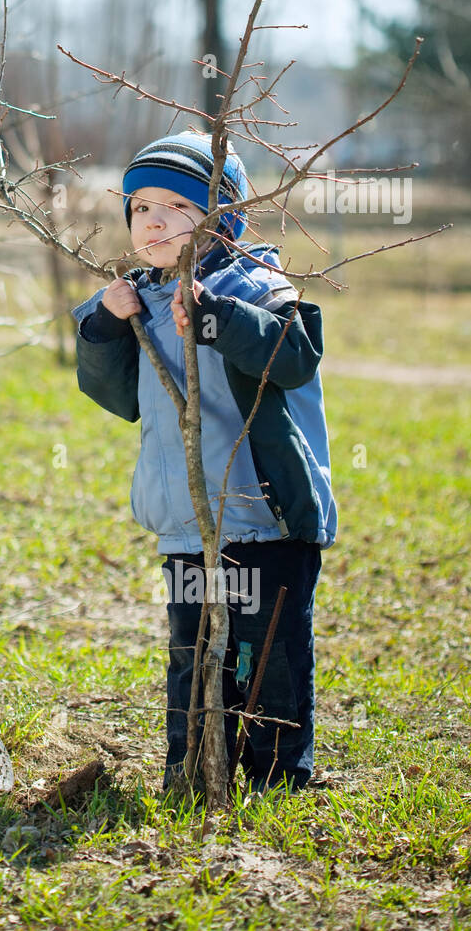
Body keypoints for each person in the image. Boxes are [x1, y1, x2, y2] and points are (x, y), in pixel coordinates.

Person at [72, 132, 336, 792]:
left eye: (176, 207)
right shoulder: (140, 298)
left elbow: (292, 356)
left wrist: (215, 316)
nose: (152, 220)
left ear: (224, 222)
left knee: (266, 652)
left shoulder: (256, 284)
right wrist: (104, 326)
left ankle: (276, 774)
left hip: (263, 517)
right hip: (187, 522)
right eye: (139, 208)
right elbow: (114, 395)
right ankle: (188, 770)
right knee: (192, 654)